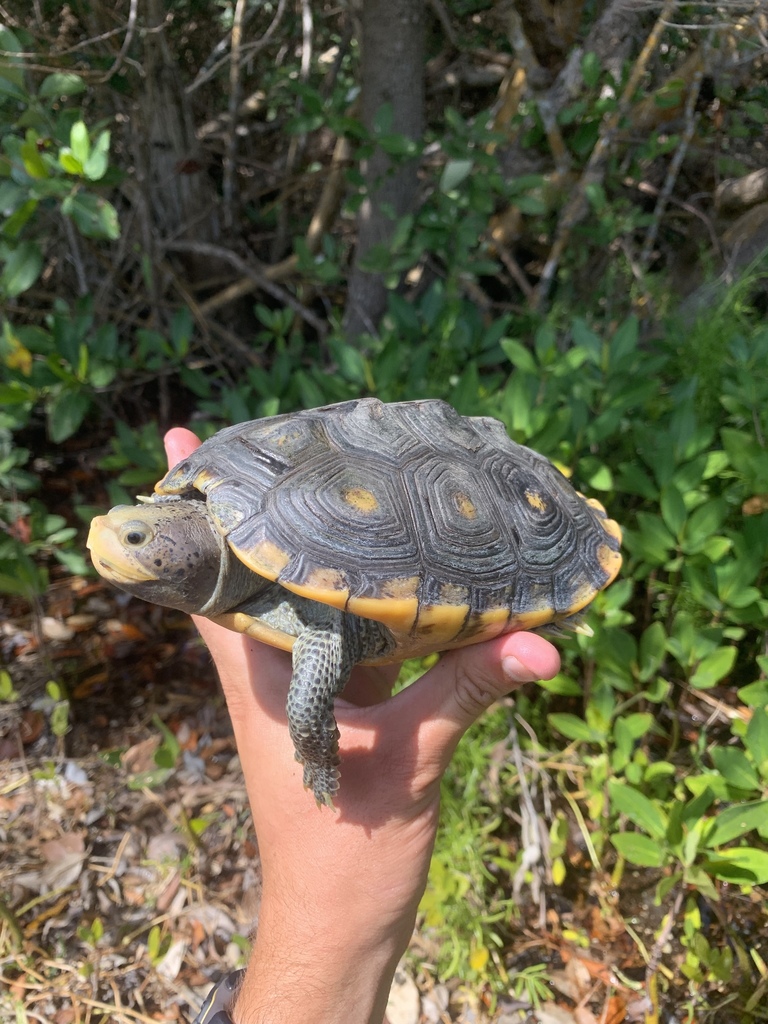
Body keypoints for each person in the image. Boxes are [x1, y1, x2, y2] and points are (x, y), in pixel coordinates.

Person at [165, 429, 562, 1024]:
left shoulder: (293, 600)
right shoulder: (259, 577)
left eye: (139, 537)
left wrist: (318, 753)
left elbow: (318, 659)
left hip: (489, 526)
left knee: (309, 698)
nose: (110, 543)